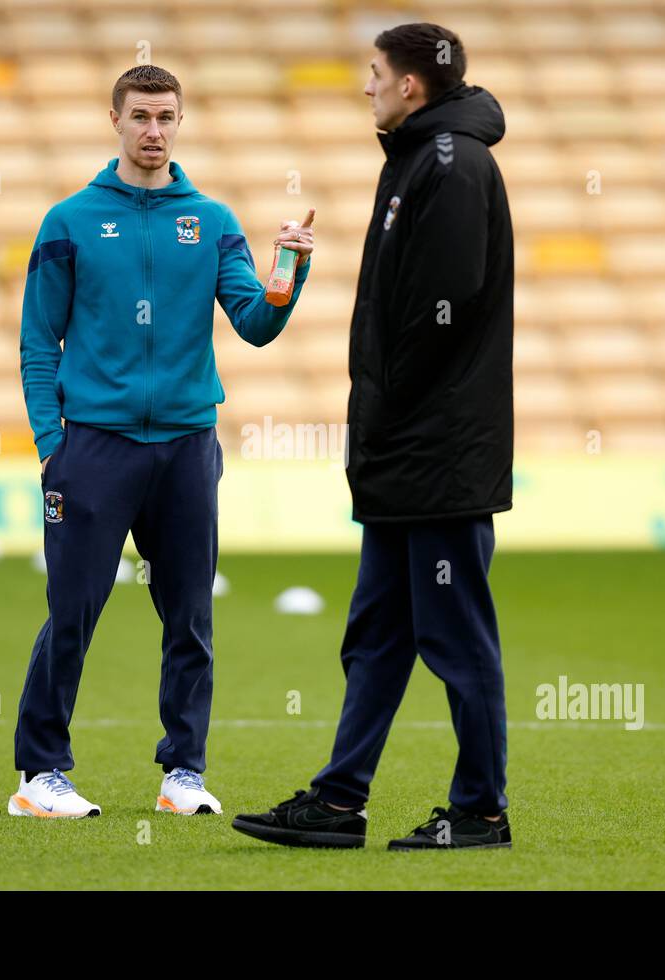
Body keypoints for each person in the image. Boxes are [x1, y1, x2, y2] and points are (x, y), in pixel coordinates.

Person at [232, 23, 514, 850]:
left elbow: (443, 310)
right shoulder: (423, 159)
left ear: (411, 88)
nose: (367, 86)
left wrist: (389, 410)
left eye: (375, 73)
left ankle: (481, 812)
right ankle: (339, 799)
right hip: (405, 453)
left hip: (437, 454)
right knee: (378, 634)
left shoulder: (453, 168)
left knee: (455, 637)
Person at [10, 65, 314, 820]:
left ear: (181, 122)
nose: (154, 130)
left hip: (185, 447)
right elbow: (37, 340)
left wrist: (290, 269)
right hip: (95, 448)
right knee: (72, 610)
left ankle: (183, 771)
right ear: (113, 117)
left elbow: (256, 323)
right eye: (141, 115)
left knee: (190, 618)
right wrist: (54, 442)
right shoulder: (69, 221)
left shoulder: (210, 221)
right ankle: (40, 774)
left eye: (167, 117)